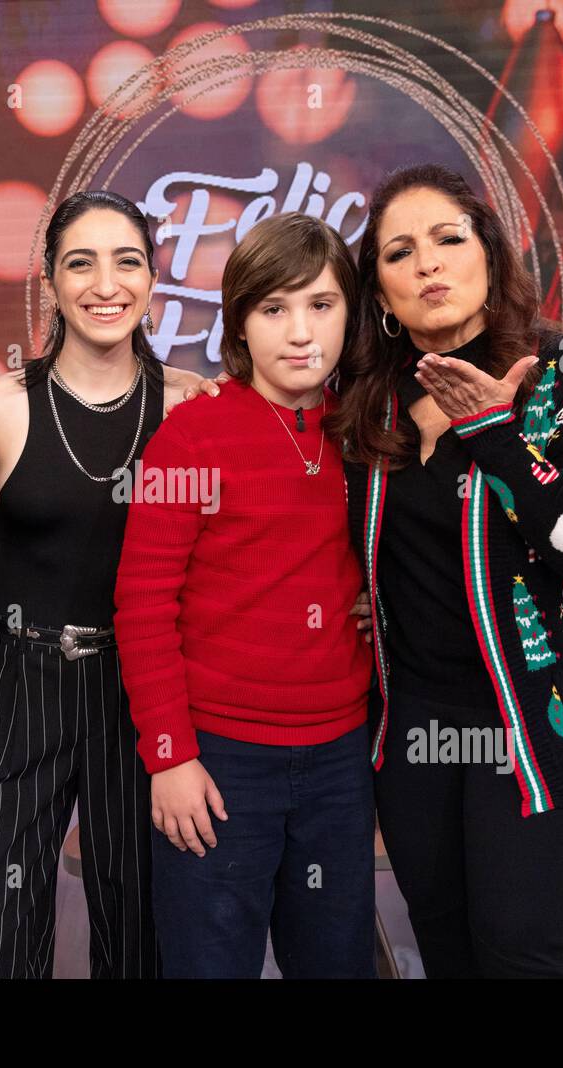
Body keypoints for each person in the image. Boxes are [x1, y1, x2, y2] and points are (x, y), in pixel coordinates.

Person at [327, 163, 563, 978]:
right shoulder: (368, 398)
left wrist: (497, 432)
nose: (427, 263)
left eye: (447, 239)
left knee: (518, 950)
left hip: (535, 718)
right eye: (399, 253)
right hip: (413, 722)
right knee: (444, 939)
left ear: (490, 256)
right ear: (382, 293)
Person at [0, 190, 217, 979]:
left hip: (141, 692)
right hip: (15, 684)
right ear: (51, 281)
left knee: (140, 932)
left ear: (153, 278)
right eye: (81, 262)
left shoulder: (191, 405)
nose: (106, 283)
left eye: (127, 261)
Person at [114, 212, 377, 979]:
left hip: (339, 757)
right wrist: (169, 755)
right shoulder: (189, 438)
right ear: (239, 321)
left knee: (336, 963)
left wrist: (372, 601)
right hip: (219, 760)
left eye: (321, 306)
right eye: (274, 309)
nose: (300, 332)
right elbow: (142, 606)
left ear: (349, 315)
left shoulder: (364, 432)